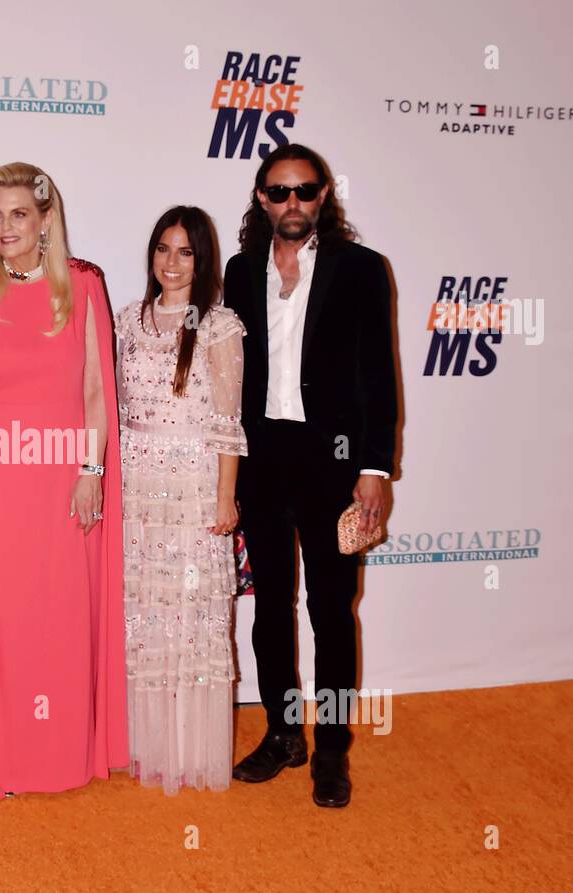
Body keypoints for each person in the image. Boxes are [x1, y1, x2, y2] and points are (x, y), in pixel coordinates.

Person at [0, 162, 127, 803]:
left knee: (61, 617)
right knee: (2, 624)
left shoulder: (85, 285)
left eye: (19, 214)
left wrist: (92, 470)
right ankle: (2, 756)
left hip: (66, 480)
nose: (6, 227)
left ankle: (62, 751)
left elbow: (97, 387)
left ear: (45, 220)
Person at [224, 144, 398, 808]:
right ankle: (282, 733)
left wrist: (374, 467)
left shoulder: (361, 269)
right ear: (261, 200)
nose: (291, 203)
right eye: (277, 192)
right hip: (262, 462)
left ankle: (331, 752)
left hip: (334, 464)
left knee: (330, 612)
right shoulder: (240, 272)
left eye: (303, 190)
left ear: (323, 195)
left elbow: (377, 375)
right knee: (271, 611)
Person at [115, 206, 247, 796]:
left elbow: (227, 421)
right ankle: (145, 746)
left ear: (203, 260)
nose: (171, 263)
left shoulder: (220, 326)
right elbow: (112, 410)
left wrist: (226, 498)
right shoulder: (125, 321)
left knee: (193, 619)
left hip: (194, 486)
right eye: (163, 250)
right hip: (137, 488)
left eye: (185, 252)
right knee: (144, 617)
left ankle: (192, 751)